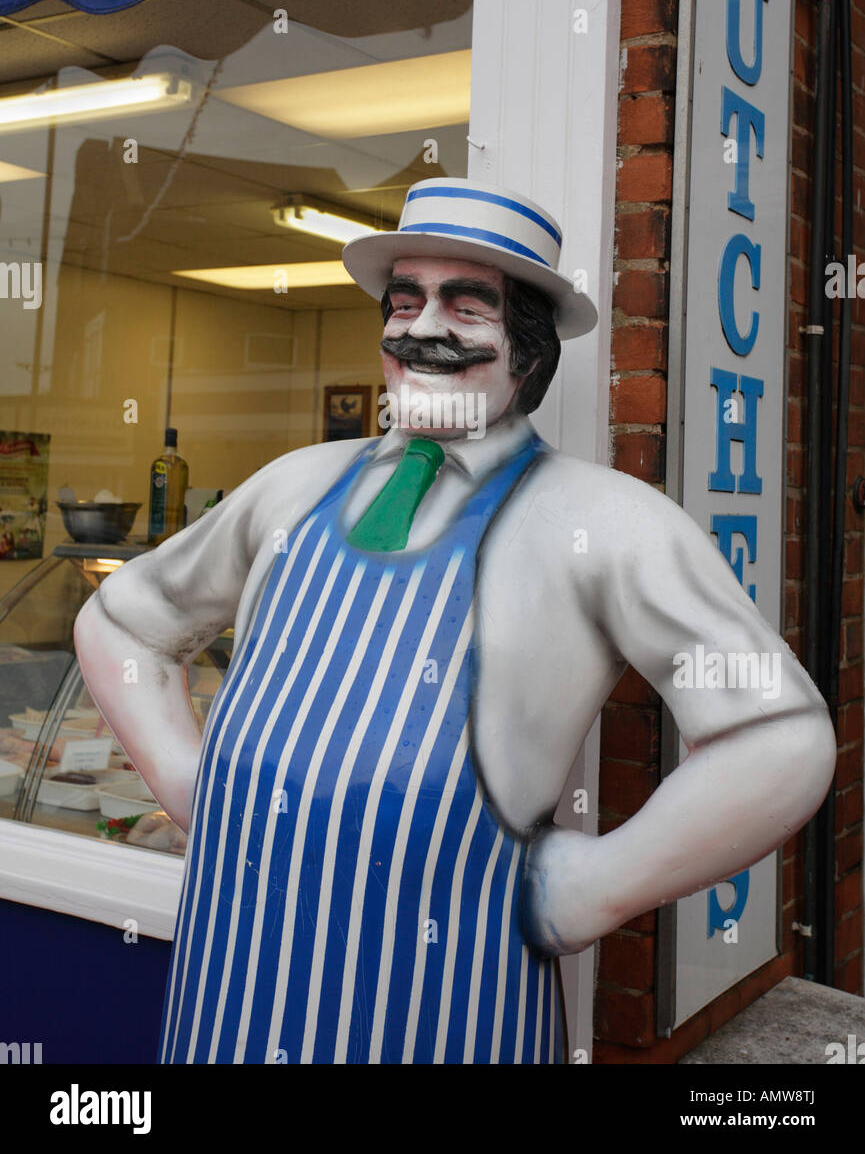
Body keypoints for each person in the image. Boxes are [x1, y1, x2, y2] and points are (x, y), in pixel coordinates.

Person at [73, 178, 835, 1065]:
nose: (421, 327)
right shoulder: (293, 484)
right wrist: (194, 789)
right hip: (229, 976)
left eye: (465, 304)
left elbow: (776, 733)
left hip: (452, 993)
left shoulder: (604, 523)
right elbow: (127, 622)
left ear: (529, 345)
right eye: (404, 301)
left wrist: (592, 889)